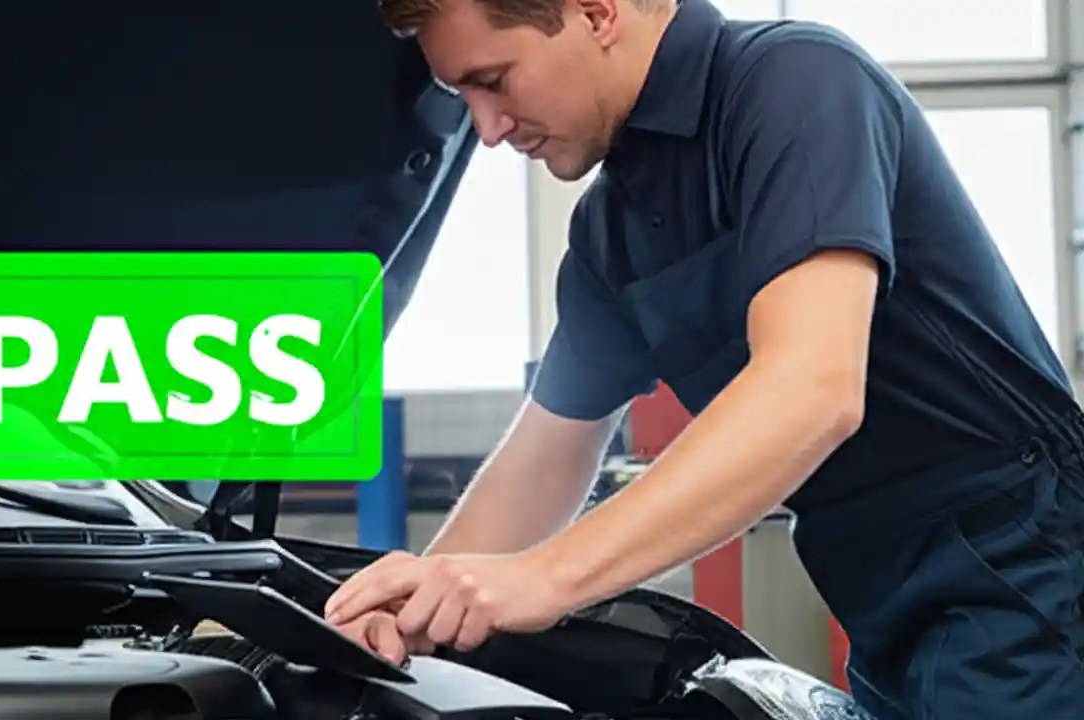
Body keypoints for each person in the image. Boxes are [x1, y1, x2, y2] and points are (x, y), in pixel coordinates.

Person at [324, 0, 1084, 716]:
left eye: (492, 81)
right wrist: (409, 605)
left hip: (1027, 573)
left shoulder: (794, 84)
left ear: (596, 12)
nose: (486, 129)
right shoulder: (609, 231)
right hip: (885, 607)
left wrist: (545, 577)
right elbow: (545, 457)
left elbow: (812, 390)